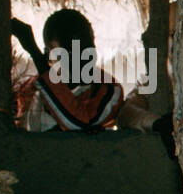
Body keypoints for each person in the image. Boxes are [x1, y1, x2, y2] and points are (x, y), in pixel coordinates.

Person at [11, 9, 162, 135]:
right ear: (49, 55)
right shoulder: (30, 90)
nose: (81, 57)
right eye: (68, 52)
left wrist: (35, 54)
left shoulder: (107, 89)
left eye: (87, 47)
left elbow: (78, 123)